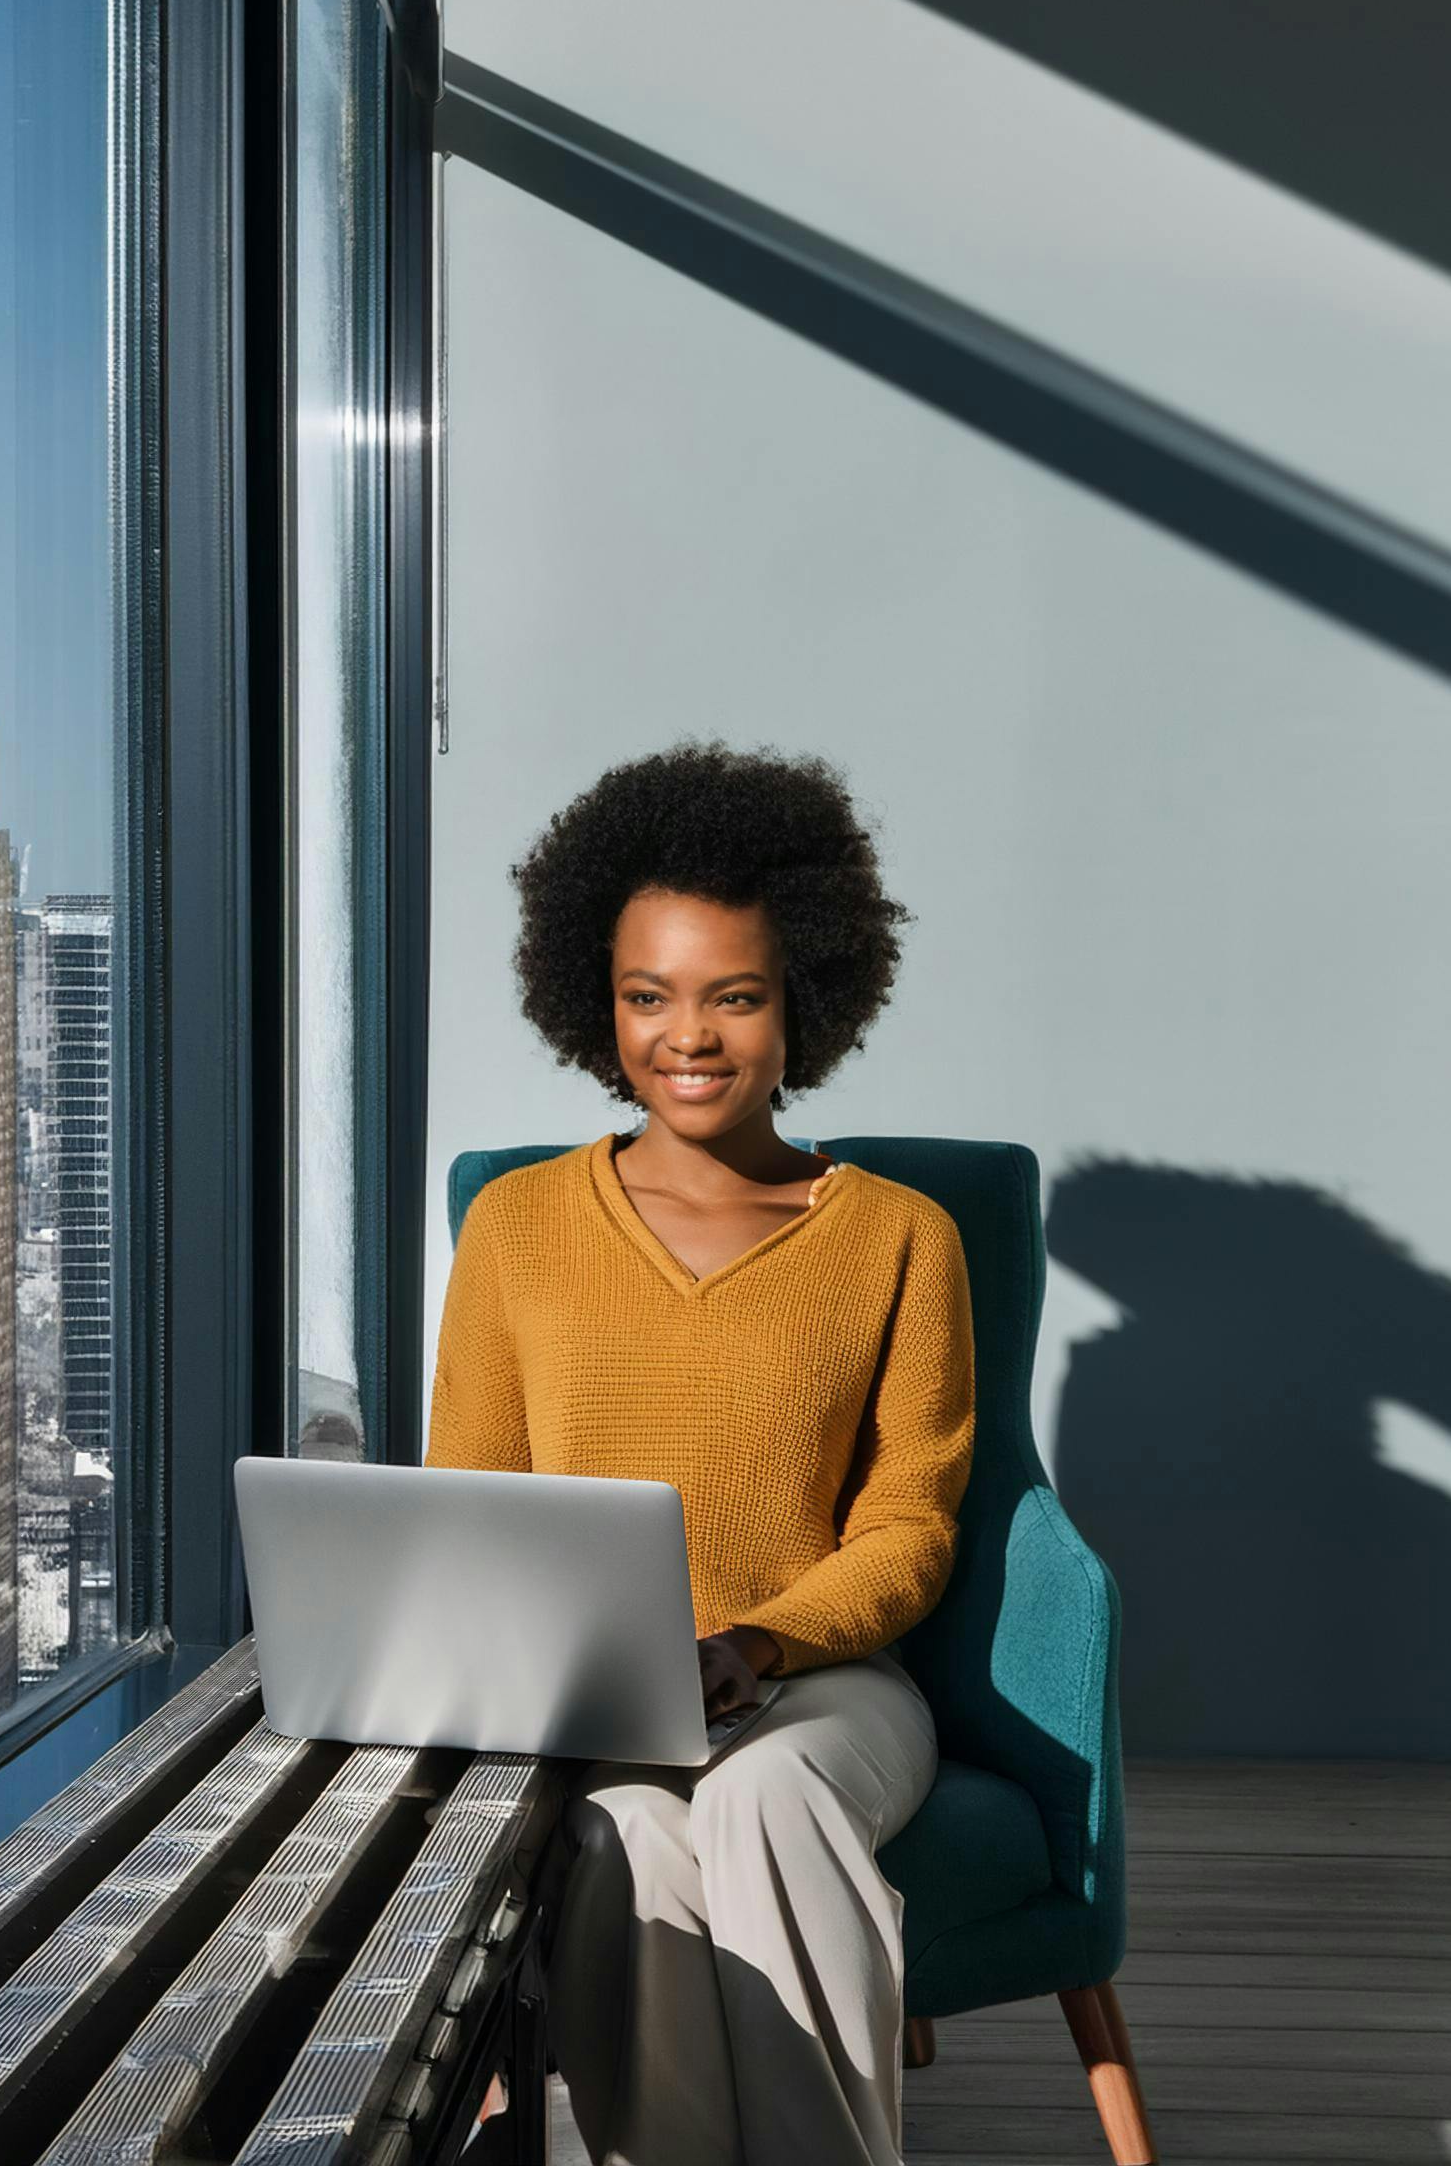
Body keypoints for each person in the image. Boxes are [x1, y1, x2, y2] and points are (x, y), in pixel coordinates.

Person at [424, 737, 977, 2166]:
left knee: (767, 1796)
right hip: (597, 1716)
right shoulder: (519, 1232)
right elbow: (465, 1512)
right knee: (633, 1846)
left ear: (804, 1001)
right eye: (646, 996)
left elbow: (910, 1528)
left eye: (733, 996)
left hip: (824, 1692)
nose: (688, 1036)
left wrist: (760, 1644)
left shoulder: (904, 1238)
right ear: (592, 1004)